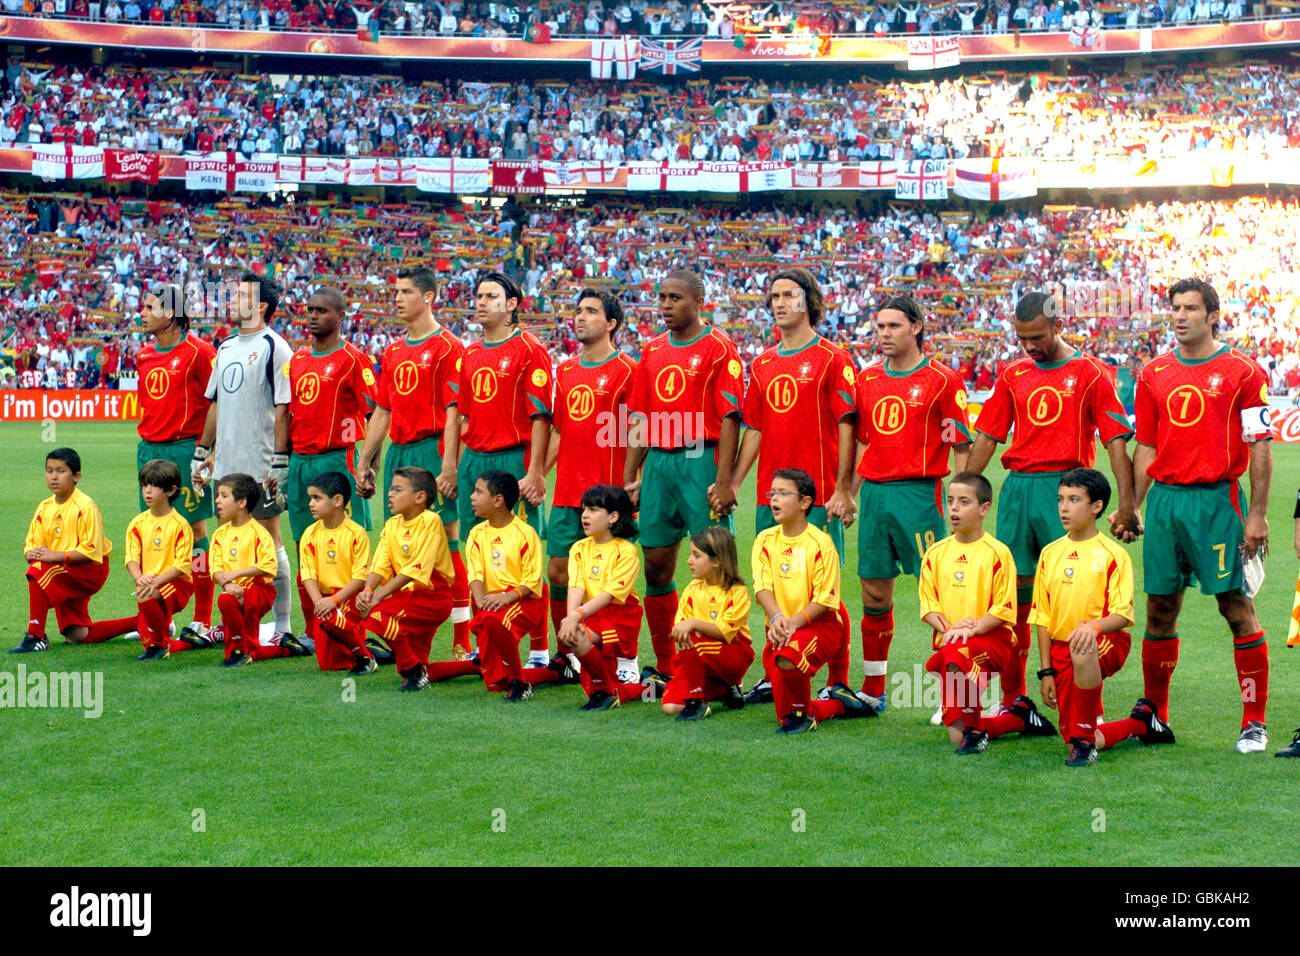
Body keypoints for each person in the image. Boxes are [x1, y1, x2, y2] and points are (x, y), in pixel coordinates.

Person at [967, 290, 1138, 712]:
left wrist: (1129, 505)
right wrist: (966, 491)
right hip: (1018, 489)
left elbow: (1116, 443)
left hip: (1066, 490)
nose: (1030, 346)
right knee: (1013, 596)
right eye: (1023, 338)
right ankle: (1013, 698)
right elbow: (988, 435)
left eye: (1038, 337)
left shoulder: (1090, 372)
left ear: (1058, 326)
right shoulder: (1012, 374)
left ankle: (1078, 694)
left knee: (1068, 595)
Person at [1131, 278, 1273, 753]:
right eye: (1175, 307)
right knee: (1160, 608)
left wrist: (1257, 514)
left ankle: (1254, 721)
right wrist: (1131, 504)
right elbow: (1146, 445)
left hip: (1218, 503)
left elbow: (1259, 445)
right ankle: (1156, 714)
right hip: (1166, 502)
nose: (1180, 315)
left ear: (1213, 316)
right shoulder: (1153, 373)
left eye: (1191, 308)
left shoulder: (1242, 371)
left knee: (1236, 607)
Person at [847, 296, 971, 709]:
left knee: (940, 593)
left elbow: (960, 444)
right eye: (879, 326)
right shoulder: (866, 381)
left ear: (916, 327)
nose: (884, 334)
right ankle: (874, 690)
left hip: (920, 496)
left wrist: (961, 498)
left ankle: (954, 692)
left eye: (894, 326)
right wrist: (847, 494)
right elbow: (865, 444)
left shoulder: (942, 380)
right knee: (873, 594)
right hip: (876, 498)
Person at [623, 269, 744, 685]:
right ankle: (666, 660)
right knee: (656, 565)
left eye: (675, 298)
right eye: (662, 298)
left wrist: (725, 479)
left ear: (698, 303)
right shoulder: (652, 350)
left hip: (701, 460)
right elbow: (638, 415)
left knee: (715, 562)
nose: (666, 306)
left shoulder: (719, 348)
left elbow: (730, 418)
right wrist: (630, 476)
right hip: (659, 463)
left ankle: (723, 667)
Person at [355, 265, 470, 656]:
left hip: (433, 448)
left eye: (406, 291)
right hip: (399, 453)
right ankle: (396, 630)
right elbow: (382, 411)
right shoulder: (393, 349)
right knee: (400, 544)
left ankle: (461, 640)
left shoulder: (448, 346)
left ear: (429, 298)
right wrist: (366, 459)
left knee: (448, 540)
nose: (398, 298)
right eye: (396, 291)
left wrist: (450, 464)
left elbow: (455, 410)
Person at [443, 271, 552, 661]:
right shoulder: (469, 354)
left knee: (523, 553)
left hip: (512, 459)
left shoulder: (530, 349)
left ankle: (539, 649)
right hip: (475, 459)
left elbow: (541, 416)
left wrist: (536, 471)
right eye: (478, 295)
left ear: (511, 305)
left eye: (491, 295)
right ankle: (484, 645)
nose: (481, 301)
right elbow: (460, 416)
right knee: (477, 552)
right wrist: (451, 466)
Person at [1033, 469, 1165, 766]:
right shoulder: (1050, 553)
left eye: (1074, 500)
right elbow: (1041, 617)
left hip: (1106, 640)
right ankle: (1141, 723)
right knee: (1072, 736)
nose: (1064, 508)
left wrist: (1093, 627)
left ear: (1097, 507)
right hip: (1060, 650)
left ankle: (1086, 743)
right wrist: (1046, 672)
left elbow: (1122, 614)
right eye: (1061, 499)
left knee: (1081, 643)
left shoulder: (1113, 554)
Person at [194, 271, 296, 644]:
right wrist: (205, 452)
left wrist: (279, 462)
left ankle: (283, 627)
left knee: (270, 539)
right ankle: (234, 619)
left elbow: (283, 409)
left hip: (260, 463)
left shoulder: (276, 347)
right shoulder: (224, 347)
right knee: (226, 540)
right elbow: (218, 404)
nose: (231, 299)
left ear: (261, 306)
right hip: (226, 464)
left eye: (240, 295)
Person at [728, 268, 858, 558]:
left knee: (819, 589)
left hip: (818, 495)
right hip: (769, 495)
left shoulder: (833, 358)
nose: (779, 303)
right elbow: (755, 429)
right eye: (775, 296)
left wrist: (844, 489)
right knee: (772, 585)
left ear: (809, 301)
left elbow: (847, 427)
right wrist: (735, 483)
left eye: (789, 295)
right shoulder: (762, 363)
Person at [919, 472, 1049, 755]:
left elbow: (1004, 610)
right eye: (950, 500)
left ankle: (977, 734)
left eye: (964, 502)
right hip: (952, 639)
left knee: (957, 656)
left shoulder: (998, 553)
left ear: (984, 509)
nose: (954, 508)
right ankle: (1018, 719)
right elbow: (929, 606)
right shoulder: (935, 553)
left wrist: (972, 628)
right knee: (955, 734)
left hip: (993, 642)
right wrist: (952, 630)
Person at [544, 288, 638, 676]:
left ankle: (623, 659)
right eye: (578, 310)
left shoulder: (628, 370)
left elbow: (638, 430)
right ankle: (569, 652)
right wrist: (537, 473)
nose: (580, 317)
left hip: (609, 495)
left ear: (611, 323)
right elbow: (559, 430)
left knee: (613, 581)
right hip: (568, 489)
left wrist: (635, 482)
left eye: (591, 312)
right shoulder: (564, 371)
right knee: (558, 573)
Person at [752, 468, 870, 735]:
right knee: (786, 716)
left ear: (805, 503)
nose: (774, 500)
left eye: (783, 493)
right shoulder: (765, 540)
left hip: (820, 627)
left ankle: (806, 716)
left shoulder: (821, 543)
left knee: (787, 659)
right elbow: (762, 589)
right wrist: (777, 618)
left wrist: (792, 622)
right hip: (783, 628)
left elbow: (825, 600)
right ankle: (838, 705)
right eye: (773, 493)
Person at [134, 284, 218, 645]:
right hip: (149, 451)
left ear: (169, 314)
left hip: (186, 451)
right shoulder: (143, 355)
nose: (142, 313)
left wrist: (210, 449)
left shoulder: (200, 352)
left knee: (196, 531)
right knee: (155, 531)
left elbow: (219, 402)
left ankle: (201, 619)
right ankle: (161, 613)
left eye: (149, 307)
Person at [286, 287, 376, 545]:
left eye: (321, 311)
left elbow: (376, 415)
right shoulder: (298, 360)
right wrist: (281, 463)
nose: (313, 316)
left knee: (345, 546)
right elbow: (291, 414)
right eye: (310, 310)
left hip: (336, 459)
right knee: (305, 546)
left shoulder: (354, 359)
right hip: (299, 463)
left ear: (340, 317)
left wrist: (370, 467)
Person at [352, 467, 455, 692]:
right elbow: (381, 562)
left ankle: (412, 671)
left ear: (420, 497)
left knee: (377, 616)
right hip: (408, 597)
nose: (390, 494)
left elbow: (415, 568)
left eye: (398, 490)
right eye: (390, 489)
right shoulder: (392, 524)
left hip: (432, 597)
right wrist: (368, 590)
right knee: (424, 663)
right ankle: (474, 667)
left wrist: (378, 597)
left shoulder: (431, 521)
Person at [90, 460, 196, 661]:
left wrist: (154, 581)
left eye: (155, 486)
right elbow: (131, 558)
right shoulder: (137, 523)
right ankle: (185, 643)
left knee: (146, 598)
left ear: (171, 490)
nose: (148, 491)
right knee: (147, 639)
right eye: (144, 485)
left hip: (176, 585)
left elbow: (182, 565)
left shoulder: (180, 525)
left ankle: (159, 645)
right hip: (148, 584)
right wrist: (139, 578)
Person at [556, 485, 648, 711]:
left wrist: (575, 618)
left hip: (620, 617)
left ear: (613, 517)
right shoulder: (579, 548)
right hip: (592, 616)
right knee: (596, 684)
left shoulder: (626, 551)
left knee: (577, 637)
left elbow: (610, 595)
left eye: (593, 509)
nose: (585, 515)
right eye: (584, 509)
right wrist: (570, 618)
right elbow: (575, 585)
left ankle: (605, 692)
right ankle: (649, 687)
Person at [14, 447, 113, 653]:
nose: (53, 477)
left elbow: (90, 552)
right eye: (49, 471)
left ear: (76, 476)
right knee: (77, 635)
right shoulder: (44, 506)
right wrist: (29, 553)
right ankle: (144, 622)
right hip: (63, 569)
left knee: (38, 570)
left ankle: (35, 635)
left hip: (89, 570)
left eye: (60, 471)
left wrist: (54, 556)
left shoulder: (85, 506)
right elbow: (32, 543)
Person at [463, 471, 547, 702]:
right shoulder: (477, 533)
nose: (472, 496)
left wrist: (506, 598)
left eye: (478, 492)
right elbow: (475, 573)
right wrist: (481, 603)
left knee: (494, 621)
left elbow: (532, 581)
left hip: (525, 602)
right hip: (492, 605)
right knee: (494, 684)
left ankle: (521, 682)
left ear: (498, 500)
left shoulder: (526, 533)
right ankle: (549, 674)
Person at [210, 473, 304, 667]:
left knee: (226, 600)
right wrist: (228, 583)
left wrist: (236, 575)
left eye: (224, 496)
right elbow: (215, 568)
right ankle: (285, 648)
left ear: (242, 502)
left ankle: (237, 651)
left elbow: (268, 566)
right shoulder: (220, 534)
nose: (217, 500)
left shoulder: (259, 532)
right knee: (251, 643)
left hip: (260, 591)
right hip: (233, 591)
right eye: (218, 495)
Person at [661, 527, 753, 720]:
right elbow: (680, 629)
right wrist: (686, 628)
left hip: (733, 654)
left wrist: (693, 624)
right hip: (698, 657)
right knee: (670, 706)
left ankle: (697, 702)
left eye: (696, 555)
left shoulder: (737, 592)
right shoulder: (693, 589)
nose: (689, 561)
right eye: (690, 554)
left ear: (717, 561)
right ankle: (724, 690)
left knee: (694, 637)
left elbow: (725, 631)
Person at [298, 471, 375, 675]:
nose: (310, 504)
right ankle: (371, 649)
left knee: (331, 623)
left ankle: (366, 658)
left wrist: (333, 601)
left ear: (338, 500)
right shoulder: (310, 533)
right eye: (310, 498)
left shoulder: (356, 533)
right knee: (329, 664)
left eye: (317, 498)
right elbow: (308, 574)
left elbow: (360, 579)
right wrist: (319, 603)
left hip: (349, 599)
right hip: (325, 602)